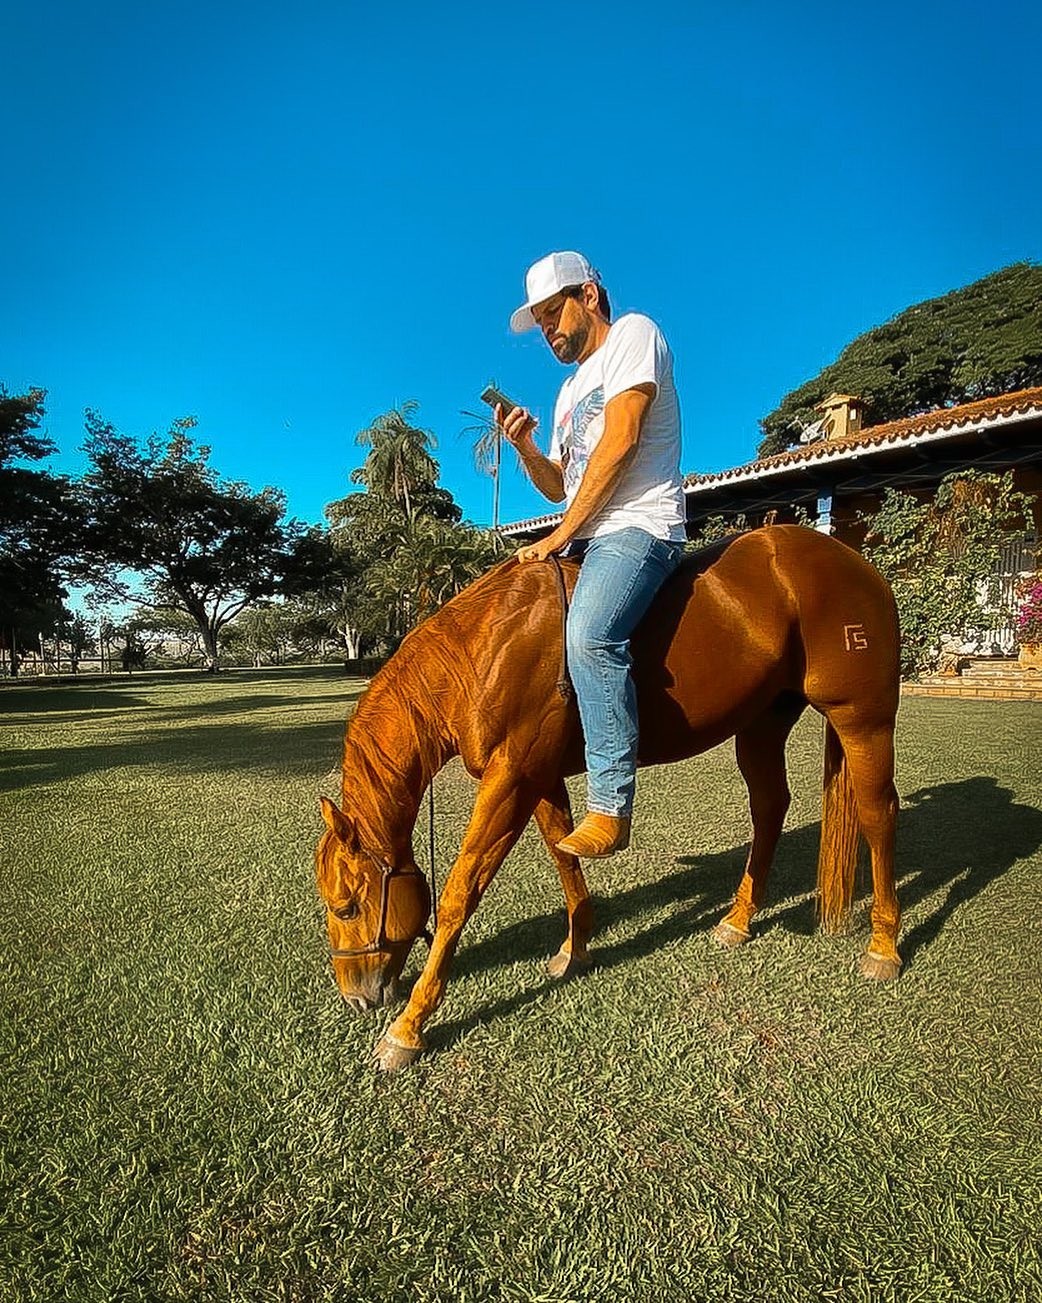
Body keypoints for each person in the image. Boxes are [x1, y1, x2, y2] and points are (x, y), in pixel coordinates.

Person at [500, 251, 686, 858]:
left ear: (589, 295)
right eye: (541, 322)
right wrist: (527, 449)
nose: (549, 330)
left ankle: (611, 804)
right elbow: (562, 483)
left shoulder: (635, 333)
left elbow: (622, 440)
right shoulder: (566, 391)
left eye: (554, 313)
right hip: (585, 531)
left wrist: (558, 537)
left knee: (589, 637)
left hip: (638, 525)